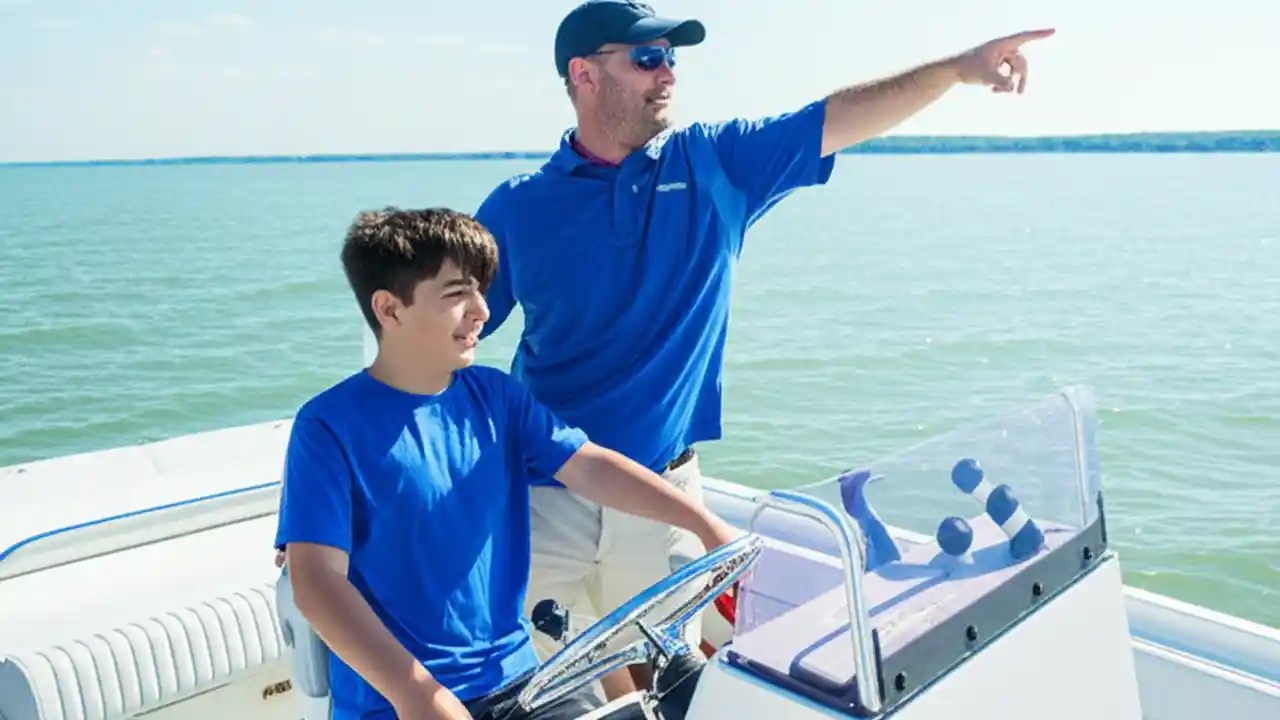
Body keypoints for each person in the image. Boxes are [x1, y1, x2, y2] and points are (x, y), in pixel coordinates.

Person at [473, 0, 1054, 697]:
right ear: (584, 75)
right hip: (543, 500)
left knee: (663, 694)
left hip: (664, 497)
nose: (669, 76)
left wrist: (958, 70)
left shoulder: (718, 164)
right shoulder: (516, 207)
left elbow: (838, 116)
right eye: (648, 58)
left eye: (673, 58)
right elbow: (439, 346)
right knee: (550, 699)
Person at [274, 207, 740, 720]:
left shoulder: (497, 397)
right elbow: (317, 583)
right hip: (393, 702)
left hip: (521, 681)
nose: (481, 310)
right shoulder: (326, 426)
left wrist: (705, 524)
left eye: (480, 290)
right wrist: (416, 695)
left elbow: (590, 467)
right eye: (456, 294)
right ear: (389, 310)